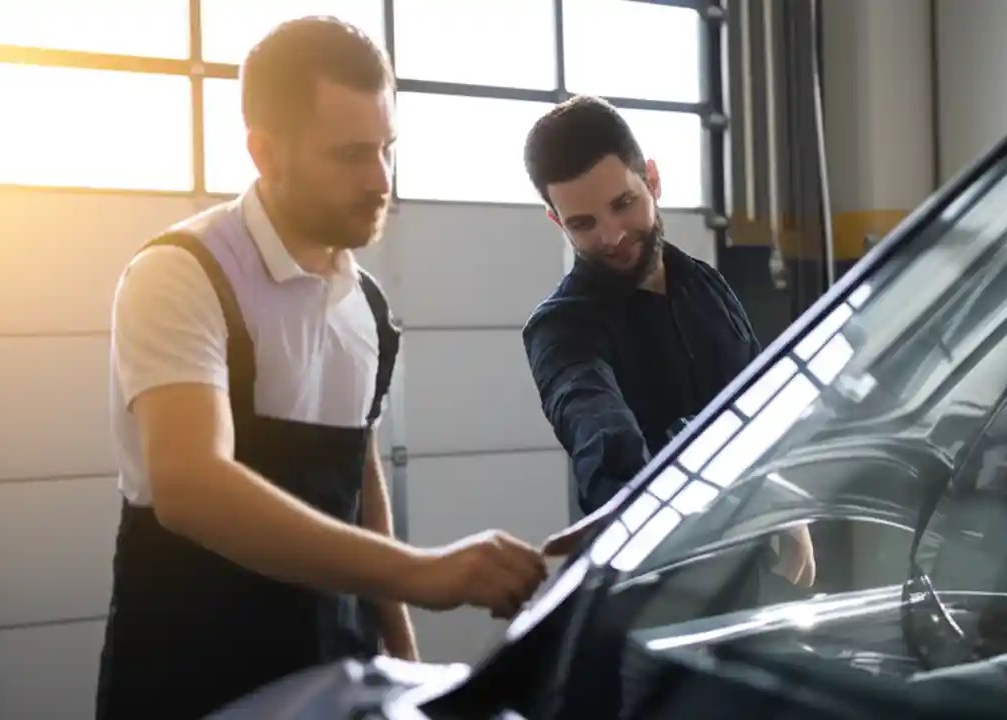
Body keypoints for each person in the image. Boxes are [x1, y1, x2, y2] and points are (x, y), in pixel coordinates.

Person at [97, 17, 546, 720]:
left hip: (335, 681)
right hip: (191, 683)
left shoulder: (364, 304)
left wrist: (405, 661)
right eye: (350, 154)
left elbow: (358, 485)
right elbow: (189, 484)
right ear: (265, 152)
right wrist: (428, 573)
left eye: (386, 149)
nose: (381, 179)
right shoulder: (181, 275)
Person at [521, 96, 814, 586]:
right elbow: (595, 422)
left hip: (756, 579)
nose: (611, 236)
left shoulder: (708, 286)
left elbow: (761, 404)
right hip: (650, 590)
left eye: (623, 204)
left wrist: (790, 500)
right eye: (583, 224)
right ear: (557, 221)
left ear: (652, 181)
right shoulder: (561, 328)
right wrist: (629, 506)